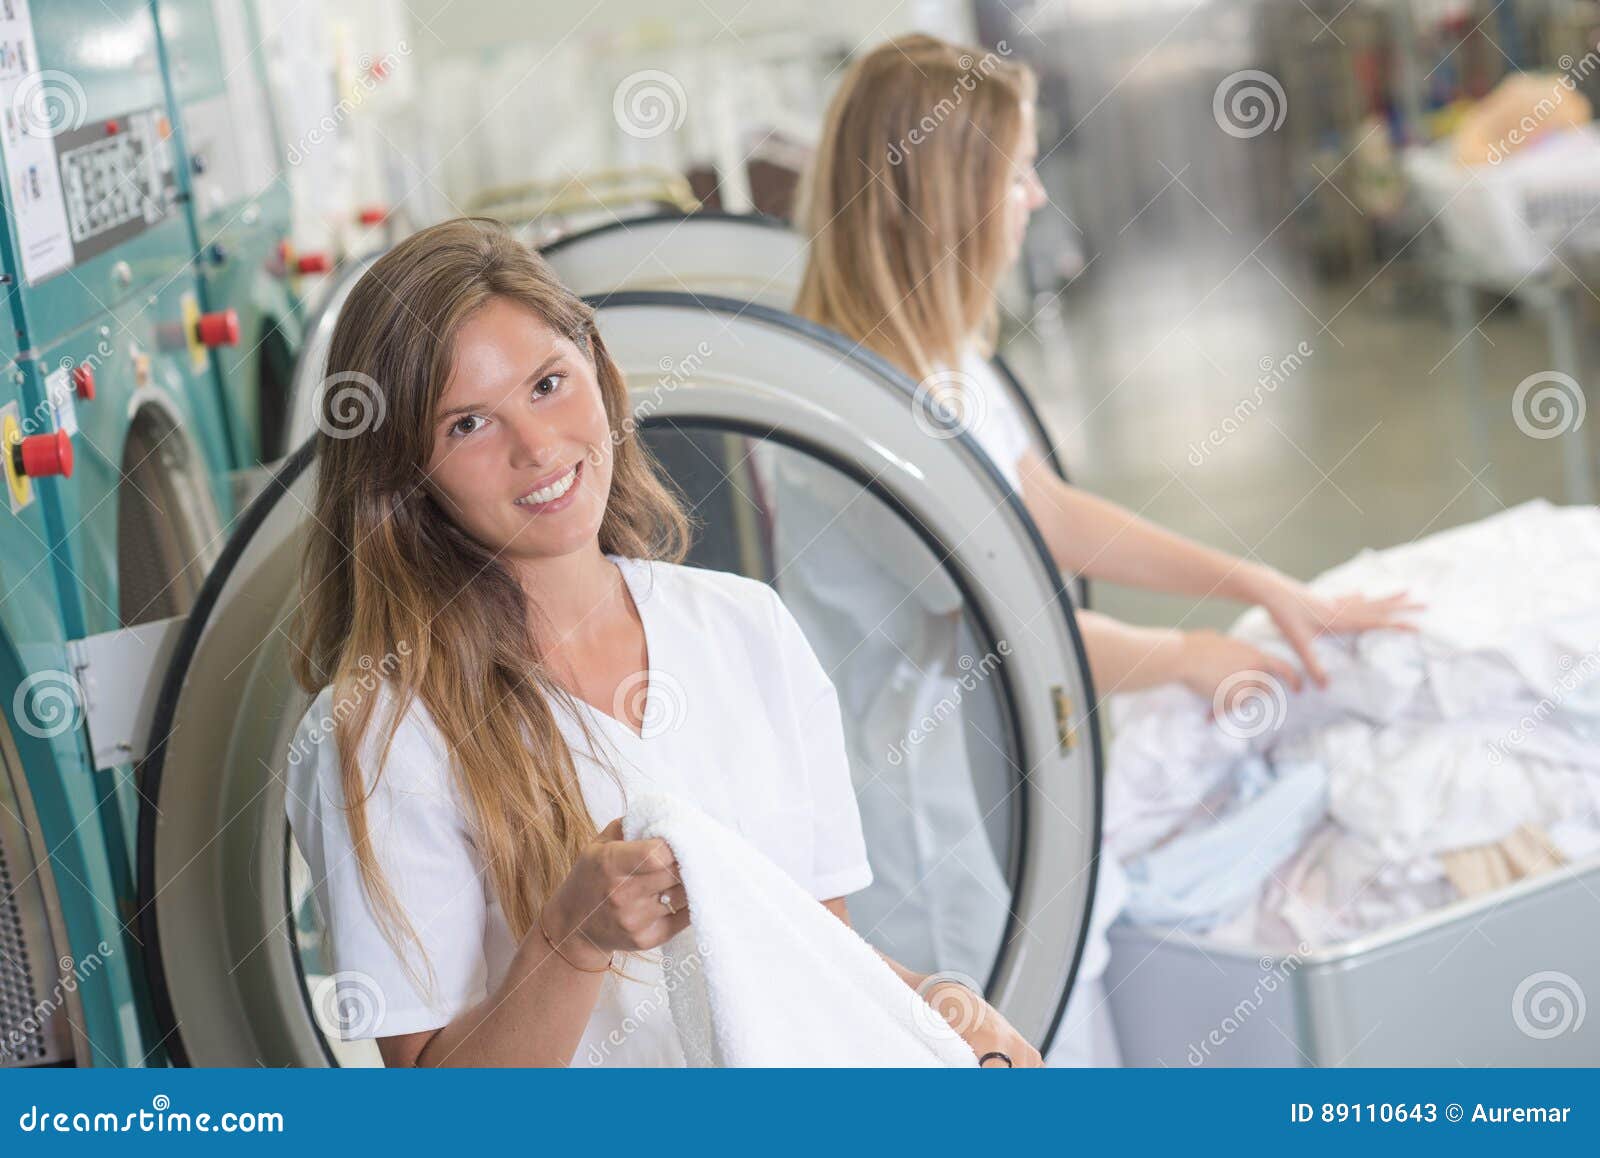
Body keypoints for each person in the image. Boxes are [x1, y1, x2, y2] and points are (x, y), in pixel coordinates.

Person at [783, 34, 1419, 1065]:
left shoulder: (945, 361)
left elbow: (1050, 515)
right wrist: (1184, 656)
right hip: (940, 837)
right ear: (947, 197)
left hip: (1021, 790)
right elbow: (1010, 623)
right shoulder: (868, 410)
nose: (1033, 198)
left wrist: (1254, 584)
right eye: (1016, 174)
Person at [283, 217, 1040, 1067]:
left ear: (600, 378)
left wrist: (951, 1021)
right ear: (406, 479)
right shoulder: (381, 734)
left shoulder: (747, 629)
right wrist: (571, 939)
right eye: (467, 425)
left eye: (547, 384)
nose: (536, 447)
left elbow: (813, 964)